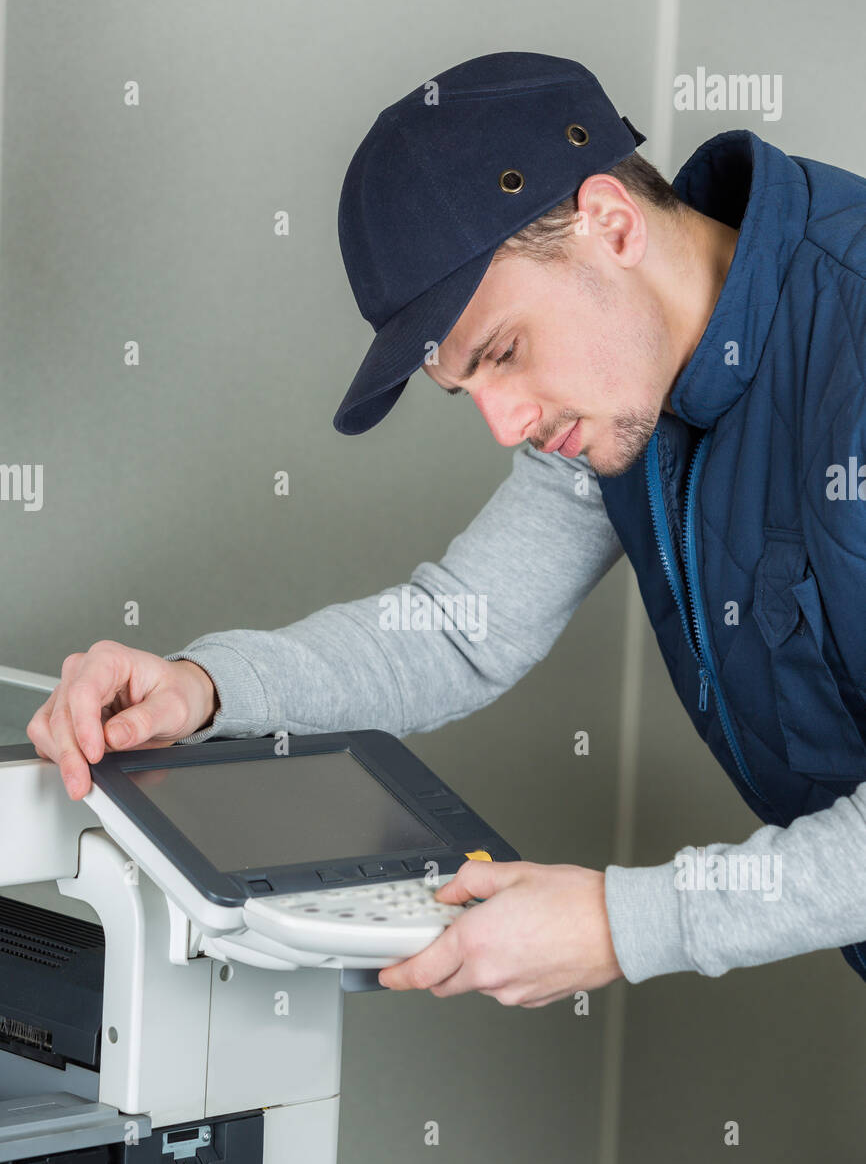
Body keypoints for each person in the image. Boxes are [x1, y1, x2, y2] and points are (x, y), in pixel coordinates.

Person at [27, 51, 866, 1004]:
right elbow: (463, 628)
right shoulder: (625, 389)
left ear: (612, 224)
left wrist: (622, 924)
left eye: (504, 352)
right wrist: (208, 687)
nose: (507, 426)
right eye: (466, 388)